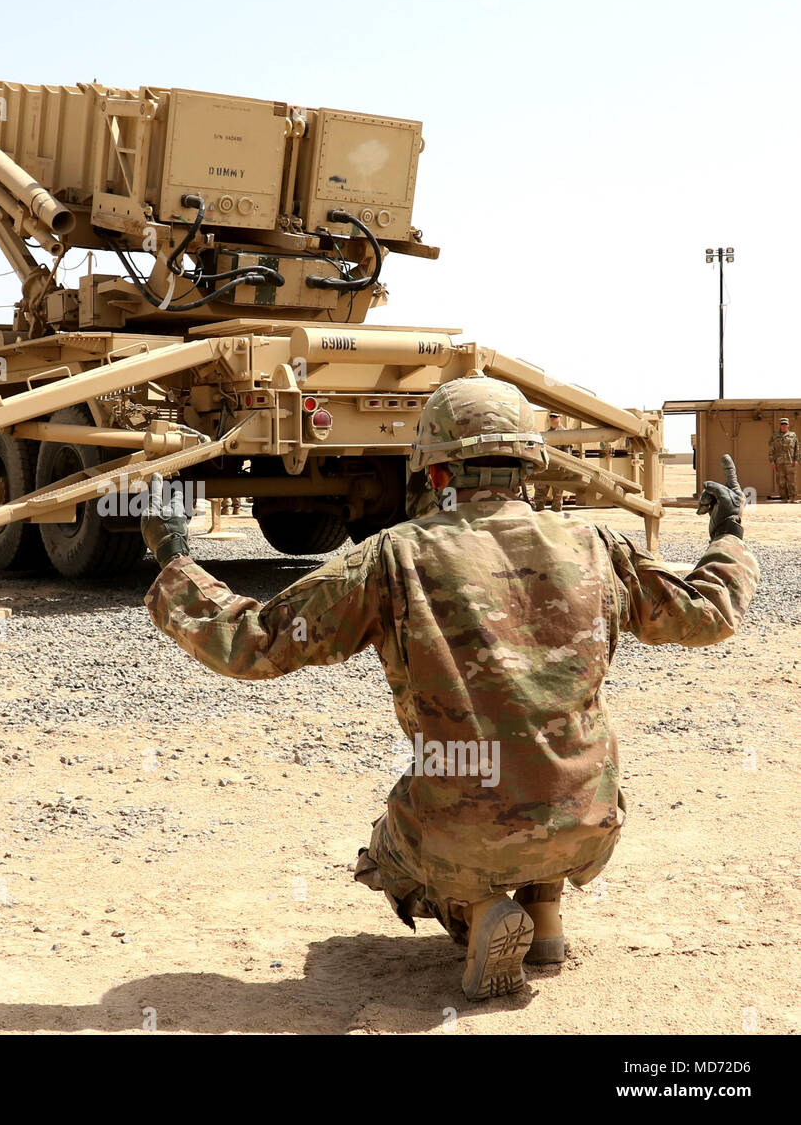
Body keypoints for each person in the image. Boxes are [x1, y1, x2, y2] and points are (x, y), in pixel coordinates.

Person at [140, 371, 758, 1001]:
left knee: (386, 852)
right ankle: (546, 918)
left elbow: (255, 643)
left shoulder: (393, 557)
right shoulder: (597, 545)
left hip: (460, 832)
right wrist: (729, 532)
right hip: (588, 822)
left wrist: (174, 557)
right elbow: (708, 613)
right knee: (536, 765)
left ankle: (479, 909)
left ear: (434, 474)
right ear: (531, 465)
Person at [532, 412, 565, 511]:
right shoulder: (546, 434)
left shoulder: (565, 434)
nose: (552, 418)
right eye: (551, 416)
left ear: (560, 417)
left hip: (557, 471)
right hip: (545, 470)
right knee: (539, 498)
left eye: (555, 416)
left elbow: (567, 456)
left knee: (557, 500)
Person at [768, 417, 798, 502]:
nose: (784, 426)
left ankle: (793, 498)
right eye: (782, 424)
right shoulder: (775, 436)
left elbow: (797, 448)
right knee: (781, 481)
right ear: (780, 425)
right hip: (779, 462)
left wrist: (796, 460)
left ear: (788, 425)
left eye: (785, 424)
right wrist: (772, 461)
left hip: (790, 462)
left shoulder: (793, 435)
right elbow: (771, 449)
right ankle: (784, 498)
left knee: (792, 481)